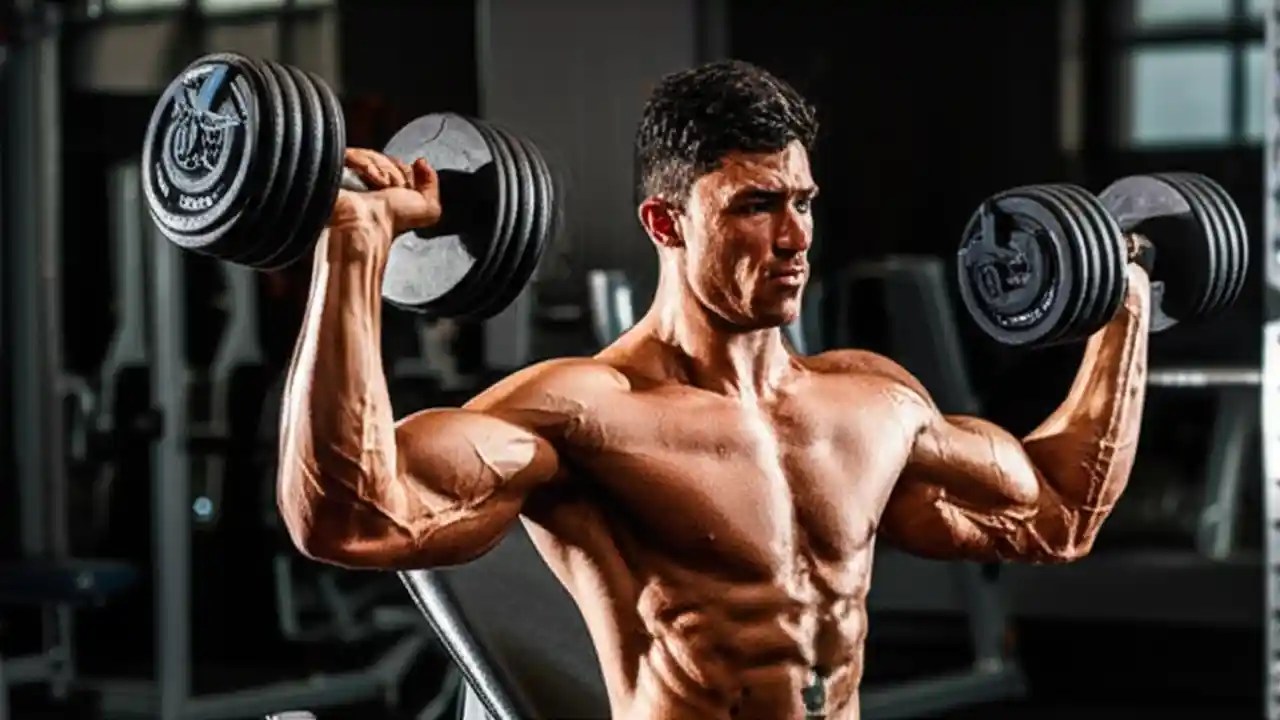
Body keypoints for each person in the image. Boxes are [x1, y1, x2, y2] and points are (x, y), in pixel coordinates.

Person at [275, 60, 1150, 720]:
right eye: (756, 206)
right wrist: (354, 248)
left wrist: (1126, 304)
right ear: (666, 222)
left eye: (804, 202)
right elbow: (351, 516)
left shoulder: (873, 401)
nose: (795, 235)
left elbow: (1058, 513)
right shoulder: (585, 412)